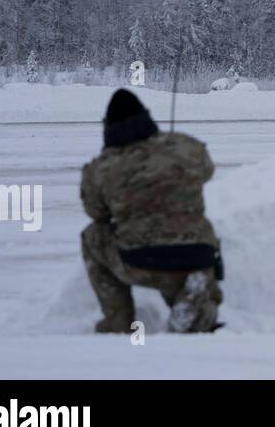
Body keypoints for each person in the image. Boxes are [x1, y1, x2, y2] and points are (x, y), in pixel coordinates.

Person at [81, 88, 223, 333]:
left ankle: (118, 321)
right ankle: (194, 301)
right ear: (147, 117)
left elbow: (97, 213)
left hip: (139, 261)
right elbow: (207, 171)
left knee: (93, 235)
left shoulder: (101, 168)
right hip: (197, 254)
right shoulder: (185, 146)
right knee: (189, 233)